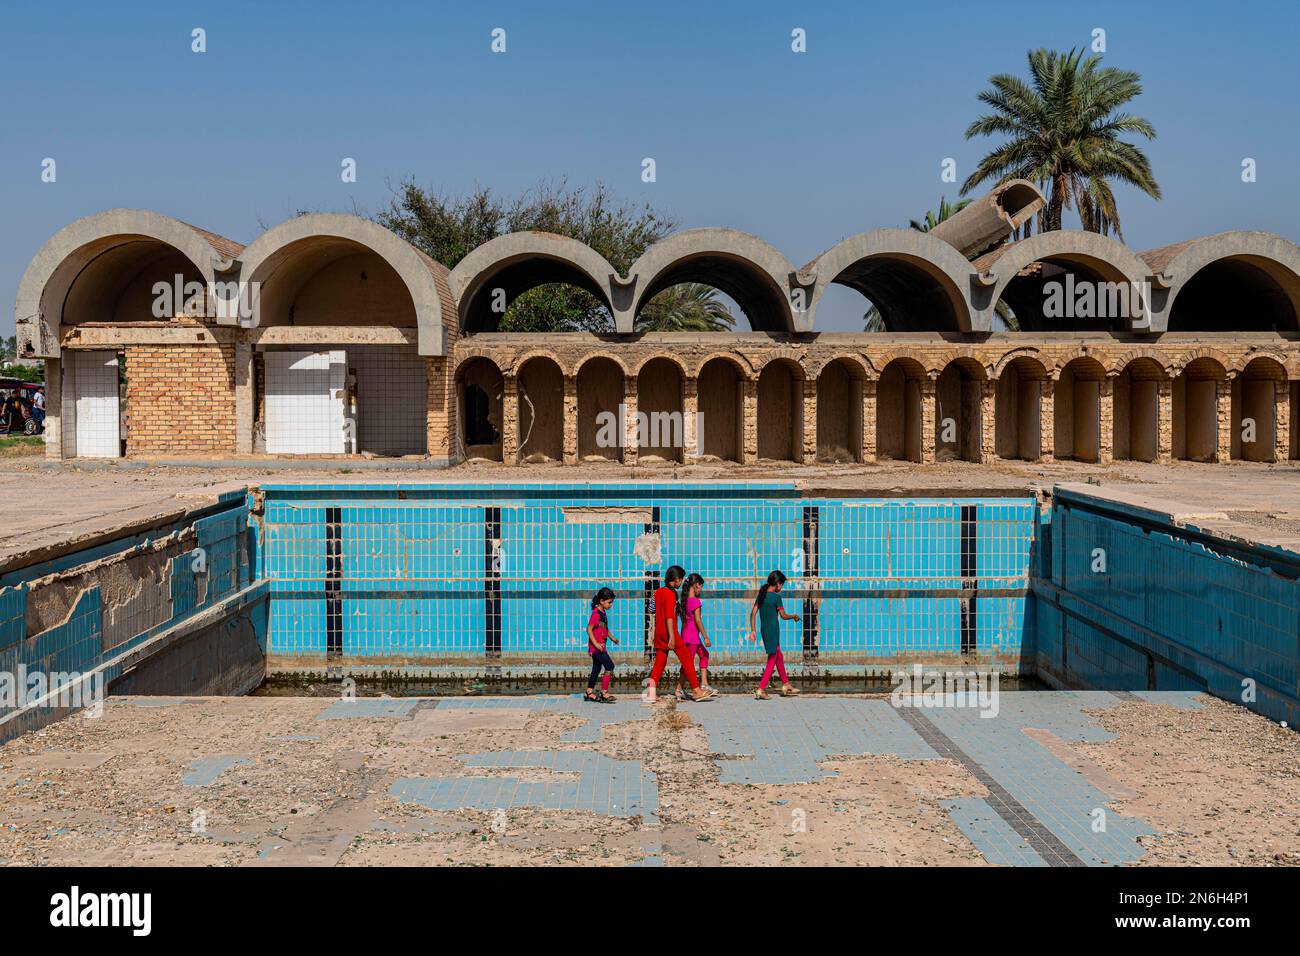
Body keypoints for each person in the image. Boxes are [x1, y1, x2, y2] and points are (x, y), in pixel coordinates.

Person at [646, 565, 717, 704]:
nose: (681, 582)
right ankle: (696, 690)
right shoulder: (671, 594)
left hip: (659, 632)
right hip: (669, 631)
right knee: (686, 657)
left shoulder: (658, 592)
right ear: (677, 579)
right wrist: (672, 636)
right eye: (681, 579)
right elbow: (669, 617)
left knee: (660, 662)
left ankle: (651, 693)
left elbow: (651, 609)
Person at [747, 570, 802, 700]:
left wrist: (753, 630)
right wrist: (793, 616)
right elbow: (783, 616)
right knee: (772, 659)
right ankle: (761, 689)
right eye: (781, 585)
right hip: (773, 630)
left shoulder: (761, 595)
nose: (781, 588)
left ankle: (786, 684)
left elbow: (753, 613)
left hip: (764, 630)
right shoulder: (776, 598)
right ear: (777, 584)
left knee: (779, 656)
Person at [675, 573, 712, 697]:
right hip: (693, 638)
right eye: (701, 587)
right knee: (688, 664)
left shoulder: (684, 602)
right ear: (696, 585)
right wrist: (705, 636)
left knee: (704, 655)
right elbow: (697, 620)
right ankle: (680, 688)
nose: (701, 590)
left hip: (686, 635)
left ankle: (704, 684)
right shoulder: (695, 602)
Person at [584, 587, 619, 703]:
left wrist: (612, 638)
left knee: (596, 668)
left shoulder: (603, 613)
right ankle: (604, 692)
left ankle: (589, 692)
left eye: (612, 602)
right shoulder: (596, 614)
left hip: (600, 646)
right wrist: (595, 644)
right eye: (609, 602)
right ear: (601, 601)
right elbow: (589, 629)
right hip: (597, 648)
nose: (611, 605)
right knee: (610, 666)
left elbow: (604, 628)